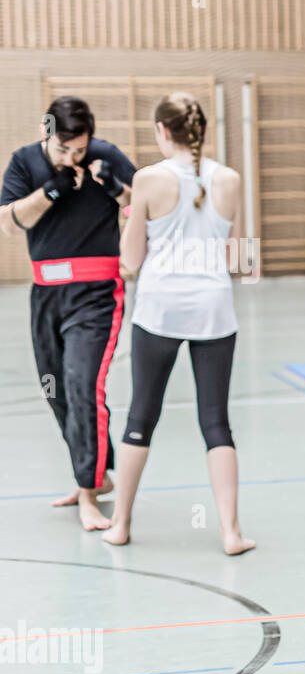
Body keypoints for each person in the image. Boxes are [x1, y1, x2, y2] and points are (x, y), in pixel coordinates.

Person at [103, 92, 254, 556]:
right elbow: (242, 257)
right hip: (213, 309)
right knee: (216, 423)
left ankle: (121, 524)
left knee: (141, 417)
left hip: (159, 310)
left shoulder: (148, 178)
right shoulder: (229, 178)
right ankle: (230, 533)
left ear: (163, 132)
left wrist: (132, 215)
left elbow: (130, 260)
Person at [0, 97, 135, 530]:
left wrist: (117, 188)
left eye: (80, 149)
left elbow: (144, 208)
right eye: (64, 150)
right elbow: (8, 221)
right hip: (46, 293)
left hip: (97, 292)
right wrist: (50, 192)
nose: (74, 158)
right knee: (56, 388)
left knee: (83, 384)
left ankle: (90, 494)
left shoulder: (106, 155)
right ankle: (94, 475)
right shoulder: (24, 162)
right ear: (46, 134)